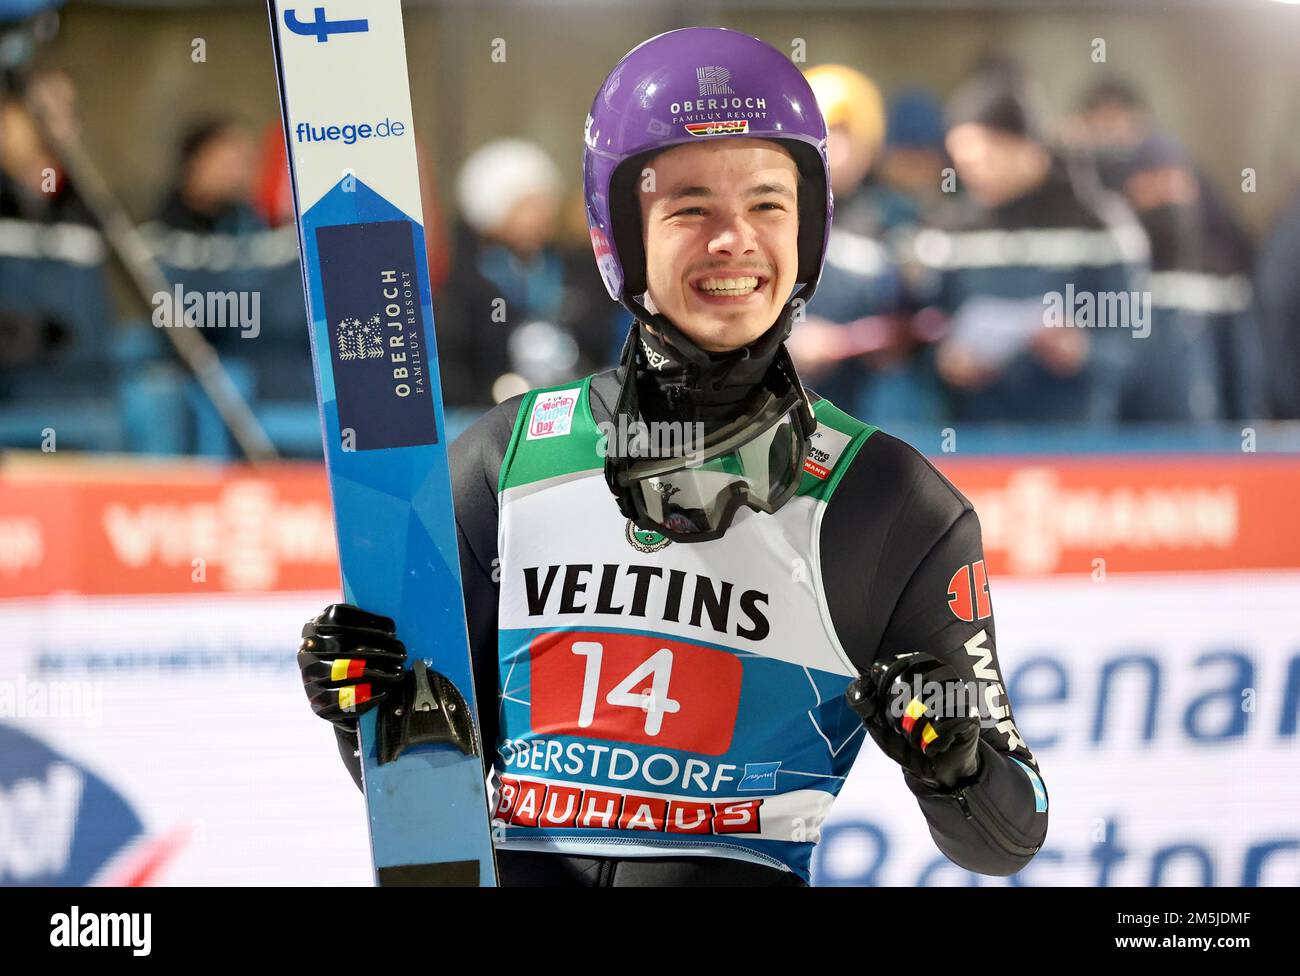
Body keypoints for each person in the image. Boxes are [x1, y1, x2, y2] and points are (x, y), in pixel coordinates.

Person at [296, 28, 1048, 887]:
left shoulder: (892, 507)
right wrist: (361, 701)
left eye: (768, 203)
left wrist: (955, 763)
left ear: (809, 229)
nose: (734, 239)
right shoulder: (501, 464)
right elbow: (423, 790)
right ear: (620, 233)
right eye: (690, 207)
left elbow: (1009, 834)